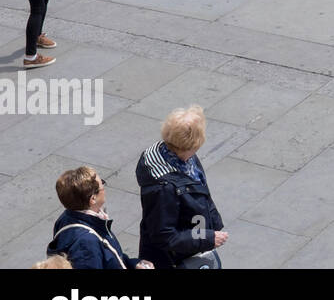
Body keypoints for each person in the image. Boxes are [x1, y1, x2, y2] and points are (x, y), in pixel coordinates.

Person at [136, 106, 227, 269]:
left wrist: (213, 223)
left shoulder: (181, 155)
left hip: (192, 239)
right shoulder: (164, 188)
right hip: (174, 259)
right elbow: (164, 235)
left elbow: (201, 190)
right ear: (190, 144)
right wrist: (207, 238)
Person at [48, 166, 153, 269]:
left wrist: (132, 264)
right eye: (102, 184)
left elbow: (110, 257)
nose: (103, 186)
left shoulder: (66, 218)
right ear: (93, 198)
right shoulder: (86, 244)